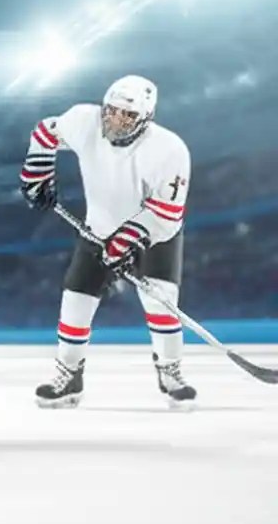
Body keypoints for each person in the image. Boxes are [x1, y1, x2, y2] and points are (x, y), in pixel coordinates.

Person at [19, 74, 195, 409]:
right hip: (98, 230)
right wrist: (36, 172)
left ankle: (170, 370)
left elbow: (166, 212)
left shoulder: (170, 150)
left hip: (156, 235)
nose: (115, 120)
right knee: (75, 299)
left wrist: (126, 241)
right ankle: (69, 373)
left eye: (127, 116)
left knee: (161, 302)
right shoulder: (83, 121)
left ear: (145, 119)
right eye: (111, 111)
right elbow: (45, 131)